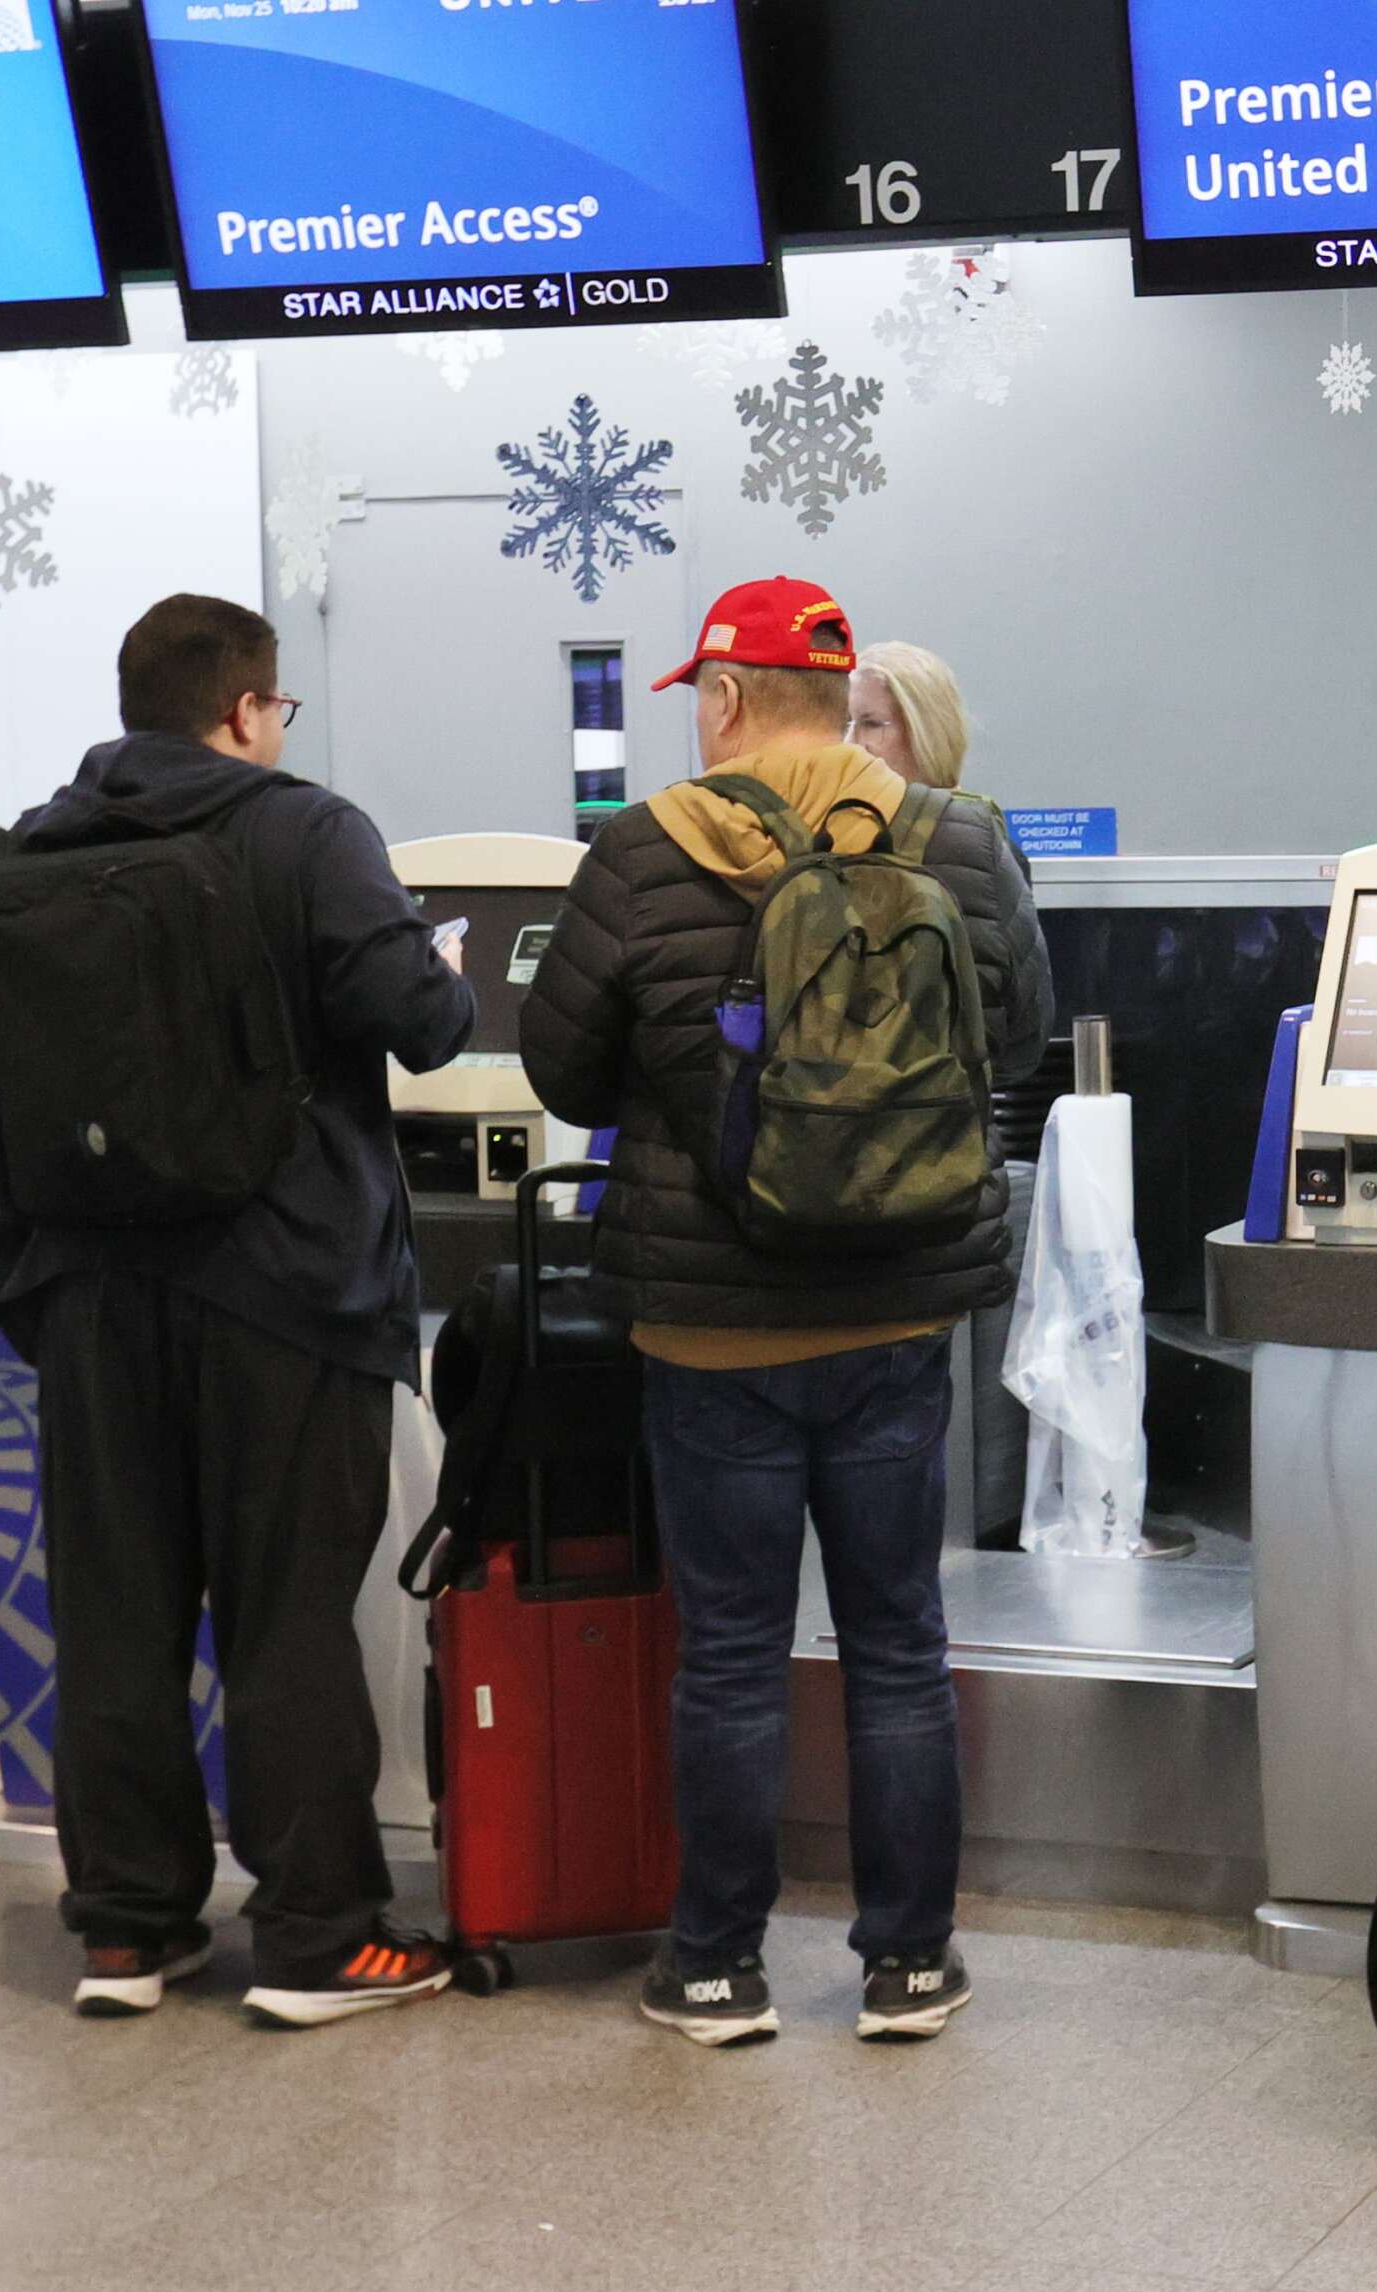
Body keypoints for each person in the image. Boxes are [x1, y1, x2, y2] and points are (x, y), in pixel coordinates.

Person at [0, 593, 475, 2028]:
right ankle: (318, 1934)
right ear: (249, 711)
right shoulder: (307, 829)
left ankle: (130, 1928)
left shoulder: (40, 840)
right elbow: (425, 1027)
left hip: (85, 1289)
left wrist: (27, 1029)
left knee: (118, 1611)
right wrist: (433, 969)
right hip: (283, 1288)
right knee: (288, 1613)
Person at [521, 578, 1052, 2048]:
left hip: (714, 1330)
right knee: (899, 1638)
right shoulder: (959, 838)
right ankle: (909, 1966)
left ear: (728, 698)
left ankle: (715, 1966)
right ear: (843, 691)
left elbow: (563, 1069)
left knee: (736, 1648)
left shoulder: (641, 851)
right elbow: (1014, 1033)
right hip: (894, 1315)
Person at [851, 639, 970, 794]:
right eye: (842, 723)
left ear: (928, 735)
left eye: (871, 724)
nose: (849, 743)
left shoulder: (967, 817)